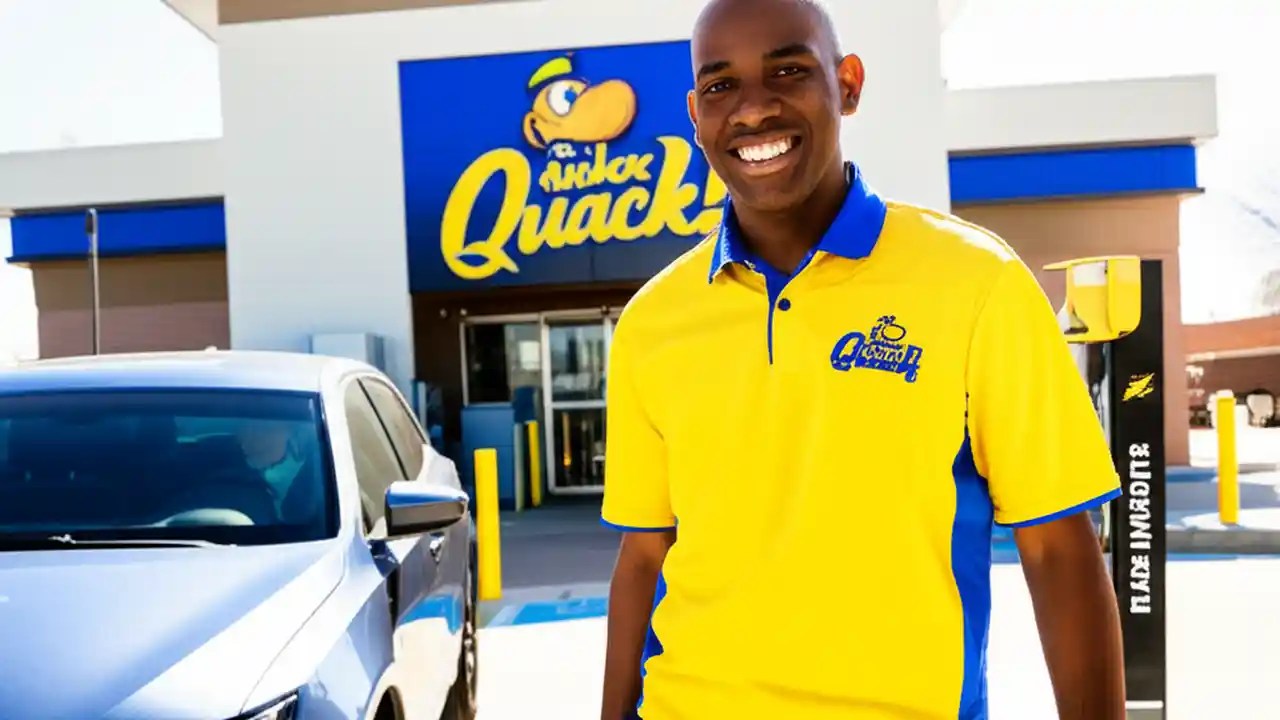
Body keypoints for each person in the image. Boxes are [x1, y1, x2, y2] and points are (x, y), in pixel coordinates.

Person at [598, 0, 1126, 718]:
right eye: (721, 86)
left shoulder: (977, 282)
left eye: (788, 71)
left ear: (847, 84)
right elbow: (644, 554)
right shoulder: (651, 322)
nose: (754, 108)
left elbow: (1057, 547)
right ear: (696, 114)